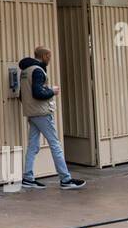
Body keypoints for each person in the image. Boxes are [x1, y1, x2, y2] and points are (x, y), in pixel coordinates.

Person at [19, 46, 86, 190]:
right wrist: (52, 91)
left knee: (33, 146)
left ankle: (28, 178)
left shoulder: (25, 71)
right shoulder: (37, 71)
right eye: (49, 56)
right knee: (55, 145)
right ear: (44, 56)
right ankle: (66, 179)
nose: (50, 59)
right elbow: (38, 93)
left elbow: (21, 96)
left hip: (31, 113)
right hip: (42, 114)